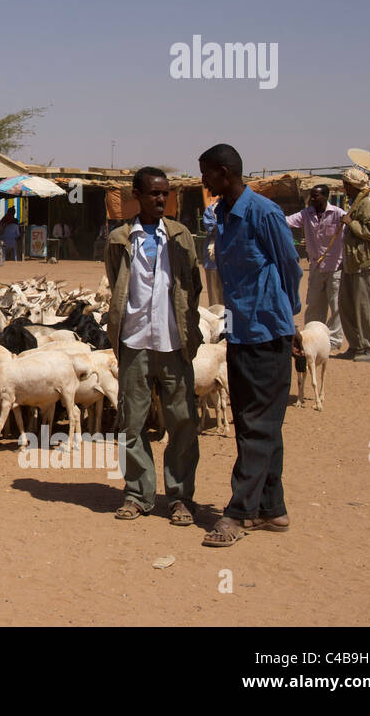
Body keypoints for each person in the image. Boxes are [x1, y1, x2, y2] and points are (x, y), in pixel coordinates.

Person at [198, 143, 302, 547]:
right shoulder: (221, 216)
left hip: (268, 333)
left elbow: (289, 266)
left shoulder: (263, 212)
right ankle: (272, 509)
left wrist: (285, 317)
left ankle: (238, 513)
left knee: (258, 424)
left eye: (207, 173)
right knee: (254, 424)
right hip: (239, 331)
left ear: (225, 173)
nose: (204, 181)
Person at [106, 168, 204, 525]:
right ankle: (137, 494)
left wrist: (187, 325)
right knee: (131, 422)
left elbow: (193, 283)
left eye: (165, 195)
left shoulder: (180, 236)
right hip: (134, 340)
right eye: (153, 195)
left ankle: (180, 497)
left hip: (173, 340)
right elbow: (116, 282)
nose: (161, 200)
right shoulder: (119, 238)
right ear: (137, 196)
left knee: (182, 422)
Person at [285, 185, 345, 350]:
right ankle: (311, 338)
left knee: (336, 306)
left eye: (316, 196)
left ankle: (333, 340)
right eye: (311, 196)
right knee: (314, 304)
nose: (312, 199)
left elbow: (349, 235)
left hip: (335, 267)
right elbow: (287, 221)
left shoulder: (339, 214)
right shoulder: (306, 214)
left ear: (326, 196)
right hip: (316, 266)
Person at [336, 168, 370, 362]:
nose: (344, 187)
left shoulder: (367, 203)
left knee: (366, 308)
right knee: (346, 306)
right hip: (352, 262)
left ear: (353, 185)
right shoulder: (356, 202)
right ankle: (356, 346)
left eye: (346, 184)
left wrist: (351, 223)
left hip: (364, 263)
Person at [201, 201, 223, 306]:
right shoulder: (211, 210)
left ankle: (229, 322)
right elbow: (212, 229)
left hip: (231, 261)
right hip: (212, 260)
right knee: (215, 299)